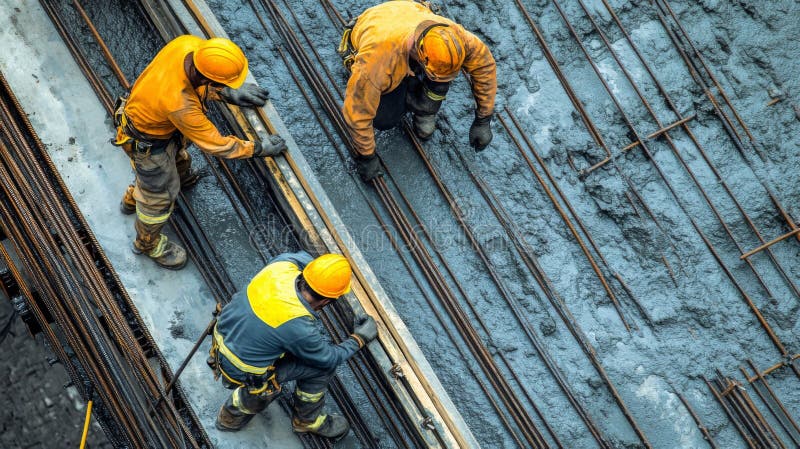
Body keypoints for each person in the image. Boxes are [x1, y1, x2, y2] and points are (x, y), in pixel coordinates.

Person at [113, 35, 288, 269]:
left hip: (158, 126)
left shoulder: (189, 45)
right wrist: (258, 148)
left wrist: (226, 93)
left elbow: (197, 82)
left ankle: (138, 196)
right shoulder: (179, 103)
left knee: (179, 163)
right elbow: (217, 144)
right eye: (222, 84)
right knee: (158, 198)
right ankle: (147, 243)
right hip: (149, 146)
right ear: (208, 78)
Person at [209, 251, 379, 441]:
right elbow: (329, 357)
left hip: (223, 339)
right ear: (325, 301)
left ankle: (231, 417)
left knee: (284, 345)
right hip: (241, 369)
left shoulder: (282, 266)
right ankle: (301, 421)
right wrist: (359, 338)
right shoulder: (298, 326)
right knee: (320, 368)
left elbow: (302, 257)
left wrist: (325, 271)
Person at [338, 0, 497, 182]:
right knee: (384, 119)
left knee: (439, 81)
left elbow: (484, 67)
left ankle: (424, 110)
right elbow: (357, 115)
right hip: (379, 31)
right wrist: (366, 157)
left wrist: (483, 119)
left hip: (408, 14)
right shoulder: (376, 64)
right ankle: (408, 94)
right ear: (420, 54)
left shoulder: (452, 35)